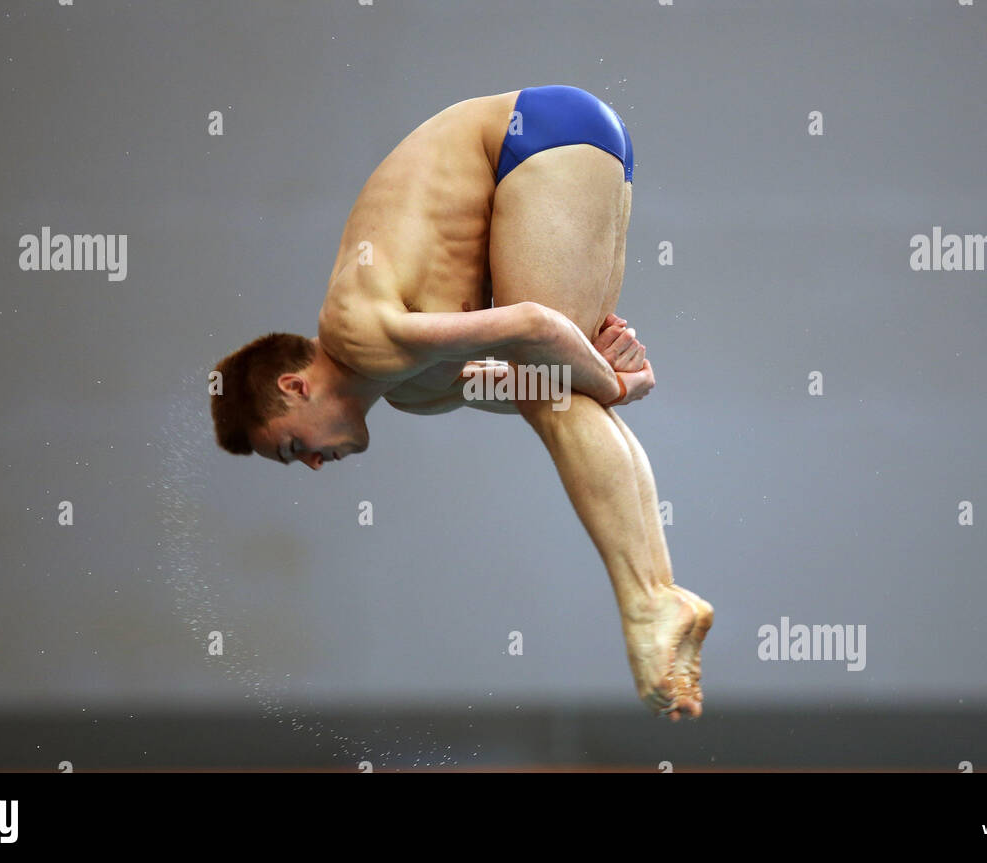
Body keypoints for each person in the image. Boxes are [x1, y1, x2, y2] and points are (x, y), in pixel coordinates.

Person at [211, 85, 712, 720]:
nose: (312, 463)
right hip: (569, 146)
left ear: (294, 386)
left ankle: (647, 602)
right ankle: (661, 593)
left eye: (291, 447)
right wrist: (605, 379)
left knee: (557, 388)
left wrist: (608, 382)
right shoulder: (416, 391)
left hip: (534, 135)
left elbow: (534, 327)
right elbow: (547, 389)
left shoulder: (357, 329)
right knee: (556, 399)